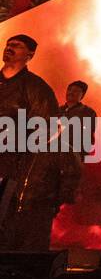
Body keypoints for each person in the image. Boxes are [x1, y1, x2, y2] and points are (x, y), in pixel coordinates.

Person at [0, 121, 81, 251]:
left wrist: (56, 201)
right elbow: (16, 172)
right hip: (19, 207)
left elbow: (72, 177)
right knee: (12, 244)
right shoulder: (30, 149)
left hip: (42, 206)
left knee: (34, 247)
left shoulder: (64, 151)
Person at [0, 34, 58, 180]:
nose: (9, 47)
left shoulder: (38, 89)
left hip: (6, 165)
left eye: (17, 45)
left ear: (30, 55)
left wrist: (19, 156)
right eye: (9, 44)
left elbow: (50, 128)